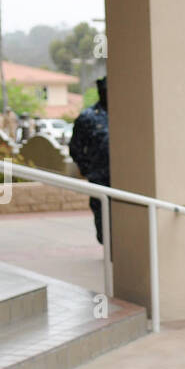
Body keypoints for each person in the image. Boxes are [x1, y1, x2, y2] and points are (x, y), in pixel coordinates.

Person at [69, 76, 110, 246]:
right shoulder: (88, 117)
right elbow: (75, 147)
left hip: (124, 179)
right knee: (103, 223)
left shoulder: (127, 113)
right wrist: (88, 170)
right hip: (100, 179)